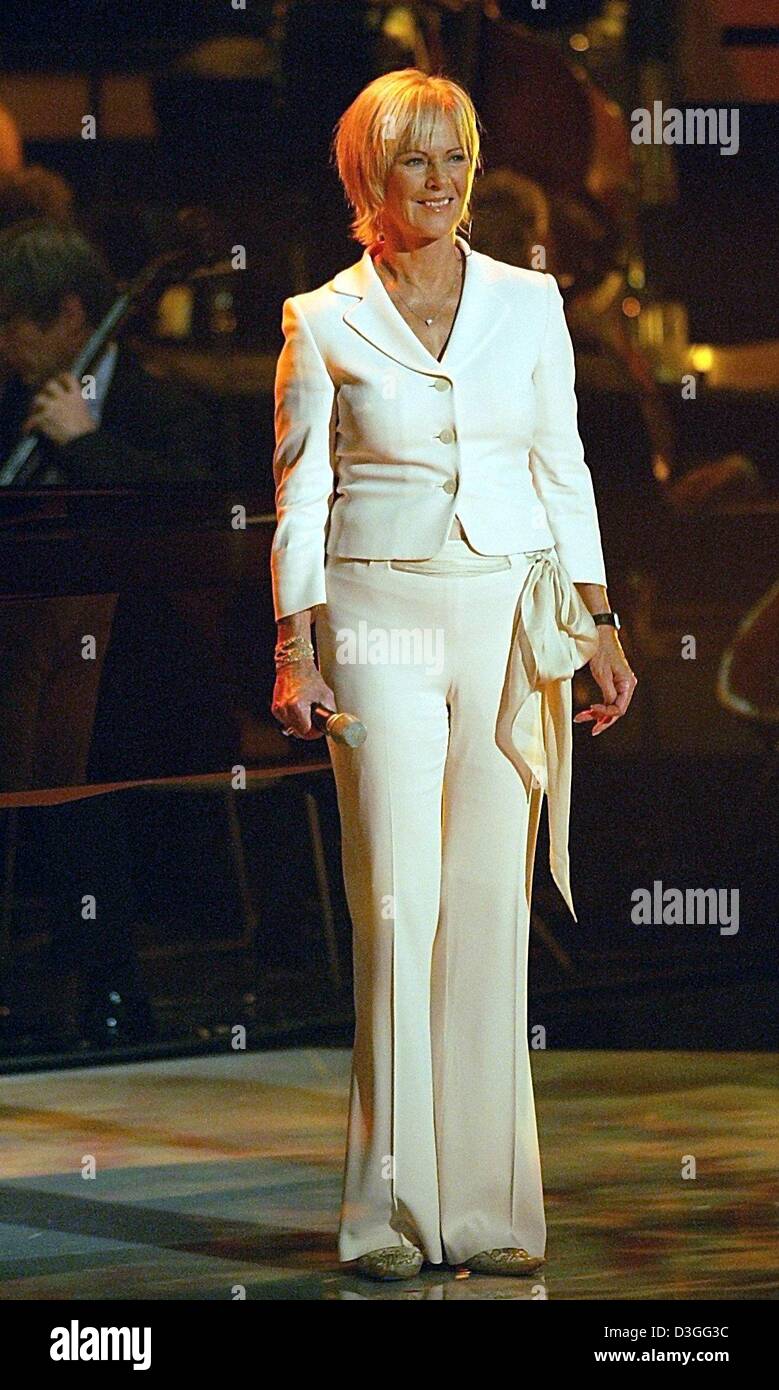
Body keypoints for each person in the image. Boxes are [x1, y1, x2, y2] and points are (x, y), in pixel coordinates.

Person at [269, 69, 637, 1280]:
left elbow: (560, 466)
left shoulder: (528, 304)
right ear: (366, 176)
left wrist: (599, 620)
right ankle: (388, 1214)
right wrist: (295, 645)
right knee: (393, 908)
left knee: (487, 909)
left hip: (501, 610)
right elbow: (302, 498)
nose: (440, 183)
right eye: (415, 160)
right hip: (377, 619)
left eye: (456, 160)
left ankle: (480, 1212)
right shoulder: (318, 320)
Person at [0, 219, 222, 1048]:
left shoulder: (157, 405)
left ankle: (113, 987)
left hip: (143, 669)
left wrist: (88, 448)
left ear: (67, 315)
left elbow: (195, 511)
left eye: (14, 324)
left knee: (75, 771)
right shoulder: (10, 403)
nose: (5, 344)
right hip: (27, 660)